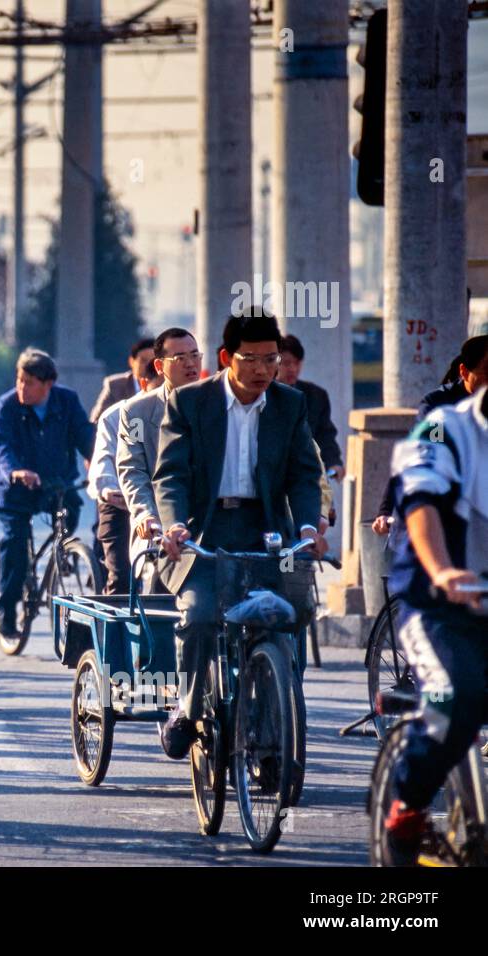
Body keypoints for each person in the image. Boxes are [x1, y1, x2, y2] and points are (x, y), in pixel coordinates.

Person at [154, 313, 326, 758]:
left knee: (289, 615)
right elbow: (169, 474)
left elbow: (305, 476)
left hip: (266, 532)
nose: (264, 370)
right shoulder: (191, 403)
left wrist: (308, 527)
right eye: (252, 359)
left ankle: (274, 730)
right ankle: (189, 710)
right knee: (201, 615)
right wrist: (174, 524)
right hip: (205, 533)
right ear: (228, 358)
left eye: (272, 359)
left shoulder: (290, 405)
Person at [376, 383, 488, 865]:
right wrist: (443, 571)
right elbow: (421, 506)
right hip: (440, 607)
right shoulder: (444, 430)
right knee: (453, 699)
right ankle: (409, 806)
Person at [0, 348, 95, 638]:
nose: (22, 387)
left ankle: (64, 555)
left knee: (71, 510)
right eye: (19, 380)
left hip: (54, 481)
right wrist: (15, 470)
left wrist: (100, 461)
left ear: (48, 384)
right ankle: (6, 610)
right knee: (15, 546)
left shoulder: (67, 401)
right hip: (15, 487)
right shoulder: (7, 405)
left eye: (29, 382)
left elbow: (85, 435)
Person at [373, 335, 488, 536]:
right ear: (464, 371)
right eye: (486, 372)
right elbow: (426, 457)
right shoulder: (438, 408)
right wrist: (385, 510)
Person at [116, 327, 202, 549]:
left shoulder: (219, 405)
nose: (191, 364)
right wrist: (145, 513)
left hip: (207, 526)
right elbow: (131, 468)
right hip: (158, 527)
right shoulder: (135, 413)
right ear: (159, 366)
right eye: (180, 358)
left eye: (195, 356)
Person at [88, 361, 164, 594]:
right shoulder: (131, 415)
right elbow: (126, 461)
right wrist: (110, 488)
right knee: (122, 576)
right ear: (144, 384)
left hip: (164, 504)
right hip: (119, 503)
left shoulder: (188, 413)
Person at [277, 334, 344, 480]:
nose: (293, 369)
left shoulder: (316, 396)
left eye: (297, 363)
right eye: (287, 363)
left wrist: (334, 463)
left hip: (306, 477)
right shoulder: (261, 395)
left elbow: (325, 435)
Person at [89, 337, 155, 424]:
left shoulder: (166, 384)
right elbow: (97, 420)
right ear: (131, 361)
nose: (148, 365)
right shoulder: (115, 385)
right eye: (143, 361)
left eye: (152, 361)